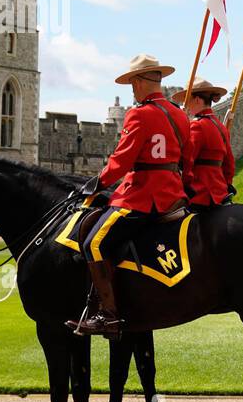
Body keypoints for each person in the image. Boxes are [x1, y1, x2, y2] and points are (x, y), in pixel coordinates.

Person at [68, 54, 191, 336]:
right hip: (173, 195)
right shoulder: (180, 115)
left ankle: (108, 314)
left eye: (132, 83)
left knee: (93, 243)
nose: (131, 90)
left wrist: (96, 183)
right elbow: (189, 160)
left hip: (143, 196)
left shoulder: (139, 113)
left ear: (139, 81)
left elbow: (121, 162)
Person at [172, 77, 236, 208]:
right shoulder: (221, 127)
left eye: (188, 101)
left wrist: (184, 186)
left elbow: (188, 162)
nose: (187, 106)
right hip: (220, 192)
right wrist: (226, 185)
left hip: (200, 193)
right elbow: (229, 165)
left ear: (197, 100)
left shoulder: (196, 125)